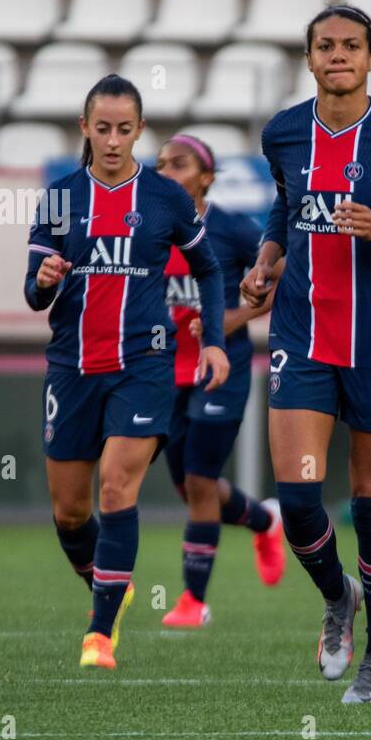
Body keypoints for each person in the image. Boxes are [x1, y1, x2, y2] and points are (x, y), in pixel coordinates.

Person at [241, 4, 371, 704]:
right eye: (324, 45)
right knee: (299, 498)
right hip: (301, 339)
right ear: (308, 58)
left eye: (350, 46)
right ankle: (339, 598)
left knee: (370, 502)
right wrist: (269, 256)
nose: (337, 55)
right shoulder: (283, 132)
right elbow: (284, 203)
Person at [25, 74, 229, 669]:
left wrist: (213, 342)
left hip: (144, 363)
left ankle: (100, 634)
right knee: (69, 511)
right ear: (84, 128)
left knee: (116, 485)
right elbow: (34, 295)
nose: (113, 140)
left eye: (124, 129)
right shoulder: (60, 198)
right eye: (102, 128)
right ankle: (109, 580)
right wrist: (42, 282)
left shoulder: (165, 198)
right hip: (72, 367)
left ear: (139, 131)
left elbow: (210, 271)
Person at [154, 133, 286, 629]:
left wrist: (232, 320)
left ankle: (194, 601)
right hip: (164, 373)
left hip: (220, 372)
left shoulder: (230, 229)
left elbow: (283, 272)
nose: (165, 172)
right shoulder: (145, 230)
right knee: (189, 488)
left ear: (206, 177)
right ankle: (264, 520)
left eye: (179, 165)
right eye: (161, 163)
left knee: (201, 480)